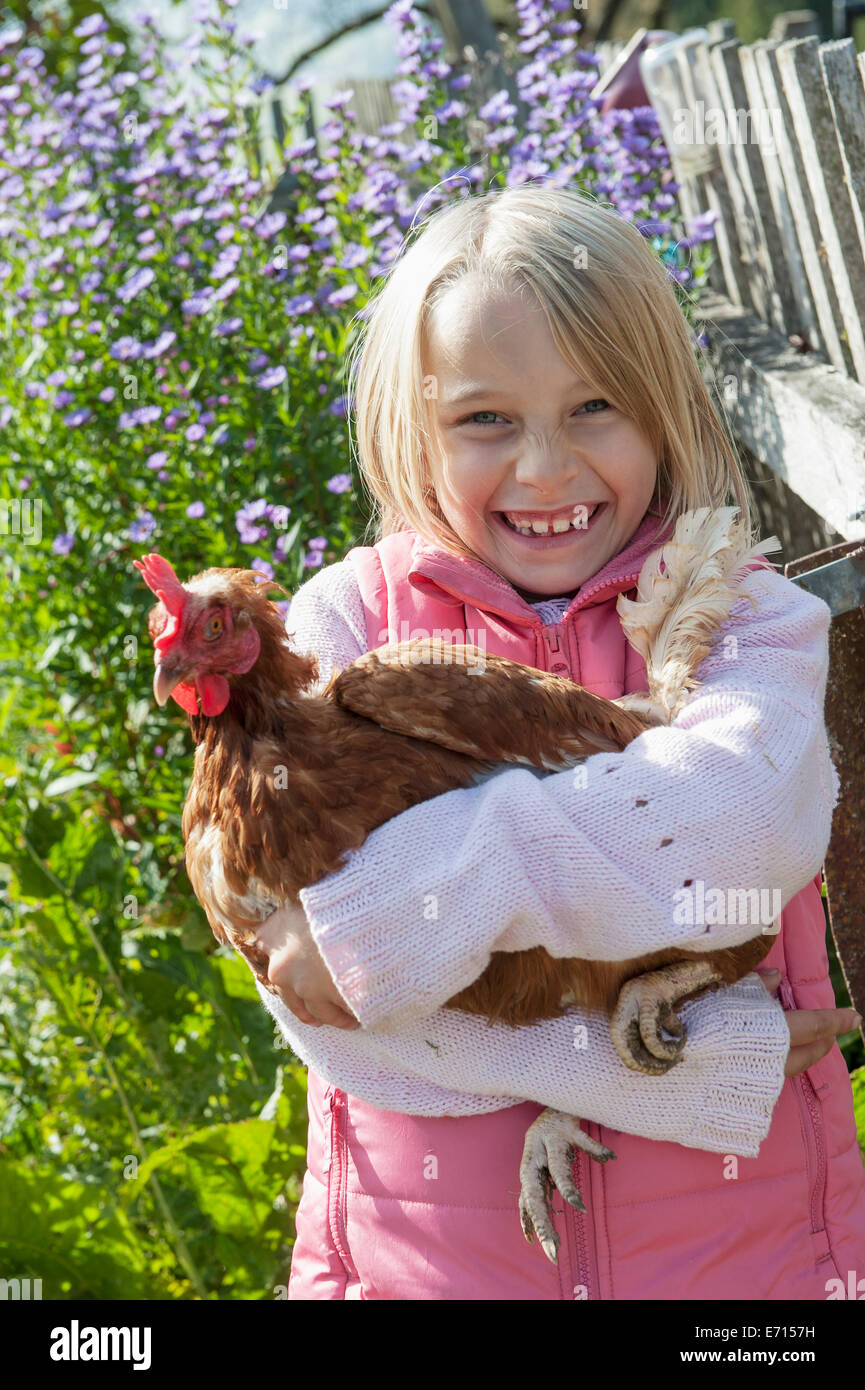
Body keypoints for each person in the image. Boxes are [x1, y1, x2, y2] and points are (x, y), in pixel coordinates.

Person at [245, 184, 865, 1299]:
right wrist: (678, 1068)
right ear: (411, 425)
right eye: (484, 419)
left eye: (594, 406)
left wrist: (390, 919)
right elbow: (318, 993)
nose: (544, 468)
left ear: (663, 407)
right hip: (423, 1265)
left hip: (739, 1266)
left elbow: (726, 831)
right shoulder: (341, 629)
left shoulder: (739, 618)